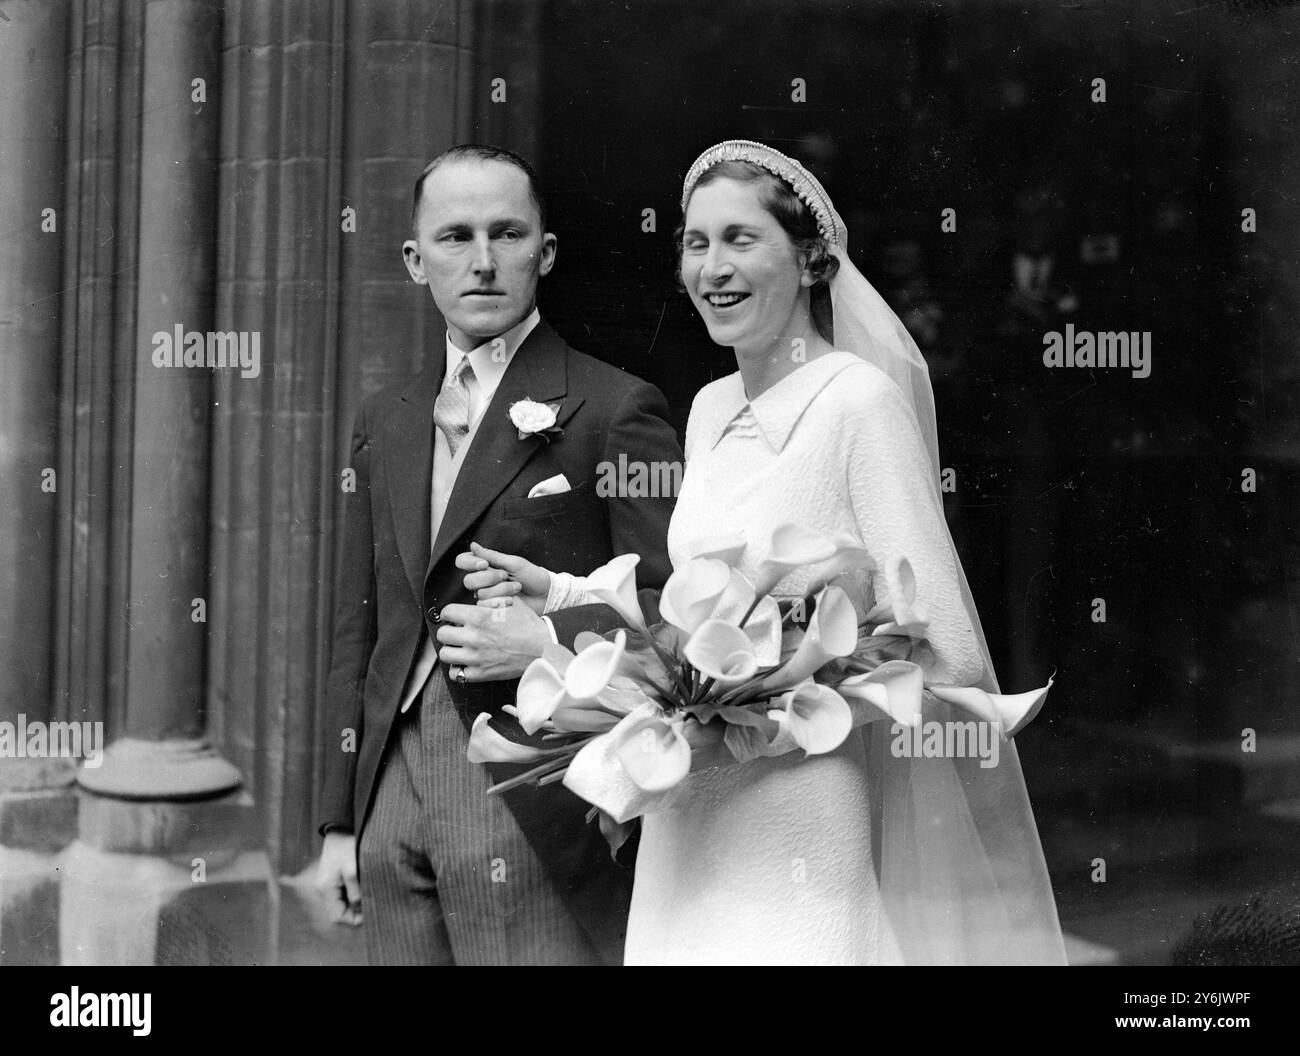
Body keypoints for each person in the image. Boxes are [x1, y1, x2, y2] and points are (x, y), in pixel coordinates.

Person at [459, 140, 1068, 965]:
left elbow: (952, 656)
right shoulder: (709, 409)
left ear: (813, 260)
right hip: (689, 819)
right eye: (696, 241)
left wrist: (772, 706)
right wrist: (561, 596)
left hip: (800, 824)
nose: (713, 267)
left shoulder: (858, 404)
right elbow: (702, 604)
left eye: (742, 239)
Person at [314, 144, 682, 965]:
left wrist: (549, 634)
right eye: (454, 238)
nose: (482, 261)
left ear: (545, 254)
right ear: (415, 261)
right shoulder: (388, 415)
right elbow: (358, 622)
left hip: (532, 788)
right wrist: (342, 819)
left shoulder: (616, 409)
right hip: (390, 789)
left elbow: (674, 617)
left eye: (507, 234)